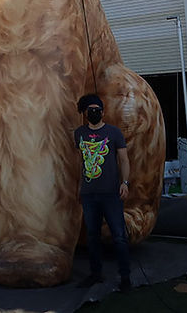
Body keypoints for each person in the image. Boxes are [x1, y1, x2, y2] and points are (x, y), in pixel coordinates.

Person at [74, 94, 131, 292]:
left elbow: (124, 159)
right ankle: (95, 273)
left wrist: (125, 182)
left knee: (119, 236)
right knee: (92, 235)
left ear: (102, 111)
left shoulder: (113, 132)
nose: (94, 112)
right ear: (85, 113)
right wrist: (79, 187)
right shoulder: (79, 133)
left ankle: (125, 277)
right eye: (89, 110)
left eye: (96, 109)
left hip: (111, 194)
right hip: (89, 194)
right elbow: (81, 162)